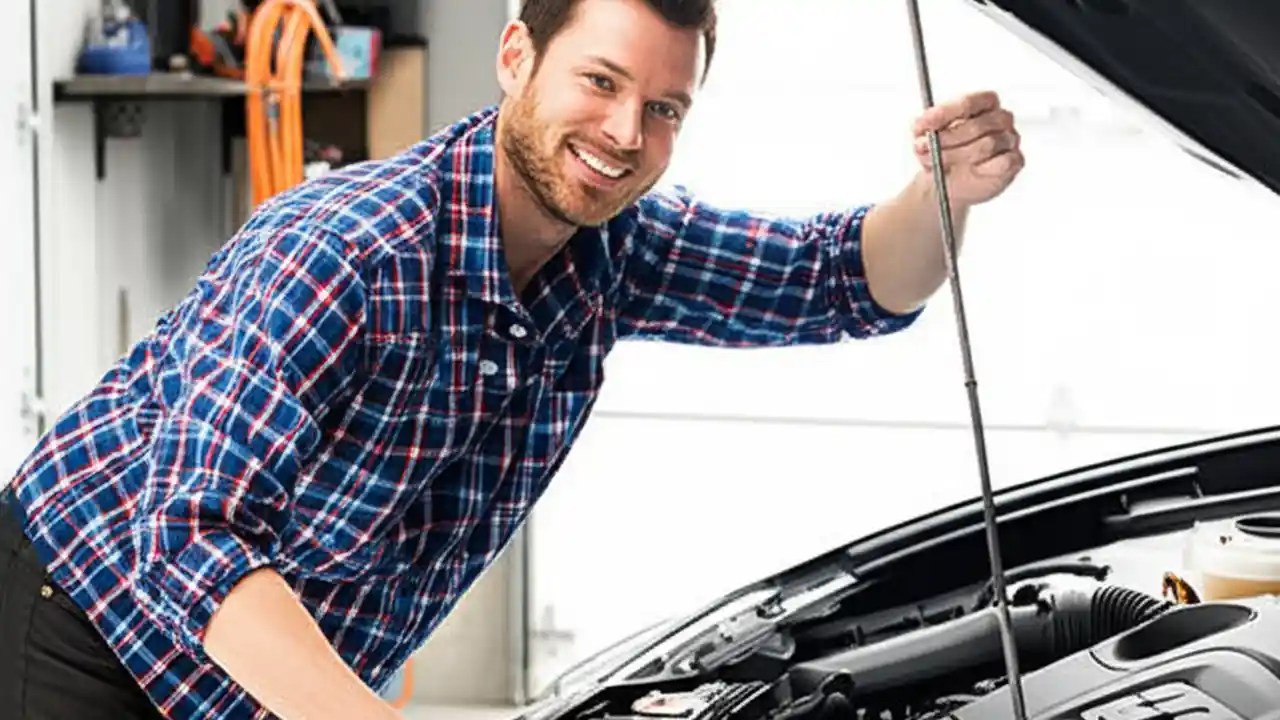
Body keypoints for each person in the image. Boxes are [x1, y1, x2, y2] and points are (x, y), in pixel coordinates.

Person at [0, 0, 1024, 717]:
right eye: (600, 79)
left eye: (664, 108)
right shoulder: (344, 253)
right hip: (81, 623)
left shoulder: (617, 248)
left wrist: (943, 196)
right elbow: (190, 539)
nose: (625, 132)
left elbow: (837, 280)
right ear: (513, 58)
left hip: (258, 674)